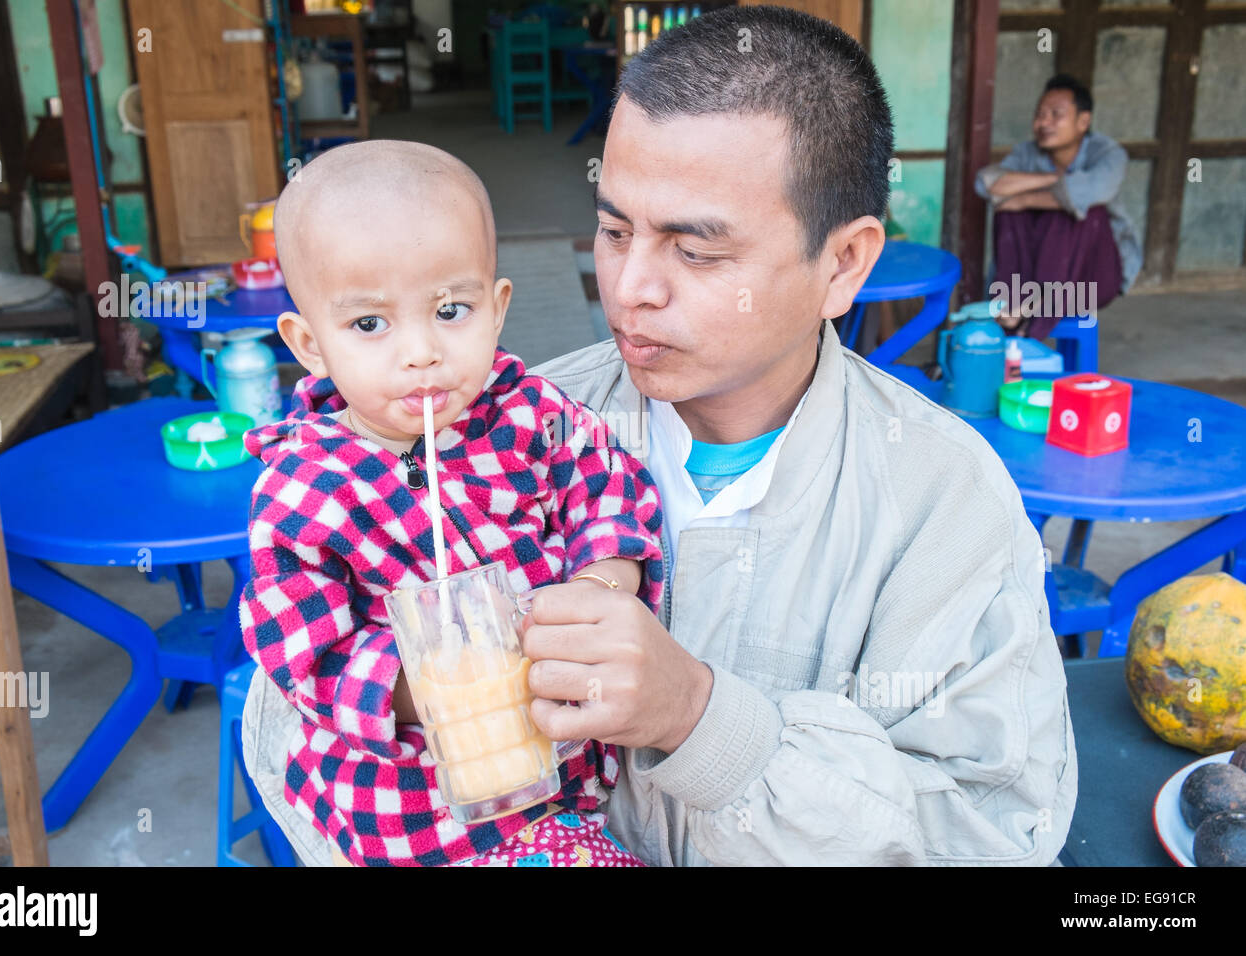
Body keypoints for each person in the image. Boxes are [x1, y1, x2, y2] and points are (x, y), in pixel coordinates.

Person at [245, 6, 1077, 866]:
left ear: (844, 264)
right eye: (613, 231)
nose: (631, 288)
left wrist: (699, 718)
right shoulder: (485, 430)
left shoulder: (945, 502)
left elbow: (989, 836)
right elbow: (287, 735)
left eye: (696, 251)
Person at [238, 140, 665, 867]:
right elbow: (308, 654)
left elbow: (608, 487)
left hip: (557, 782)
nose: (421, 352)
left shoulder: (527, 413)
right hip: (407, 819)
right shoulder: (305, 487)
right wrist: (436, 679)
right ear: (310, 345)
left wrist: (599, 587)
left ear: (496, 309)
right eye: (370, 324)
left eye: (450, 309)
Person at [975, 74, 1143, 340]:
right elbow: (988, 184)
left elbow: (1092, 191)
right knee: (1009, 211)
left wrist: (1026, 198)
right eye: (1040, 114)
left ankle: (1026, 323)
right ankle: (1012, 304)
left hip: (1094, 278)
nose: (1044, 123)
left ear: (1083, 121)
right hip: (1031, 276)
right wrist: (1053, 179)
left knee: (1084, 211)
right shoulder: (1028, 153)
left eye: (1056, 114)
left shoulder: (1108, 154)